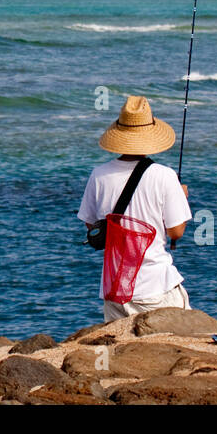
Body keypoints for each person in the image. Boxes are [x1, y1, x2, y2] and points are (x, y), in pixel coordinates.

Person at [78, 95, 193, 321]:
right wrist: (182, 197)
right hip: (156, 287)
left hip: (115, 291)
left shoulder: (98, 175)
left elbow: (92, 225)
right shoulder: (164, 176)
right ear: (150, 135)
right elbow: (176, 232)